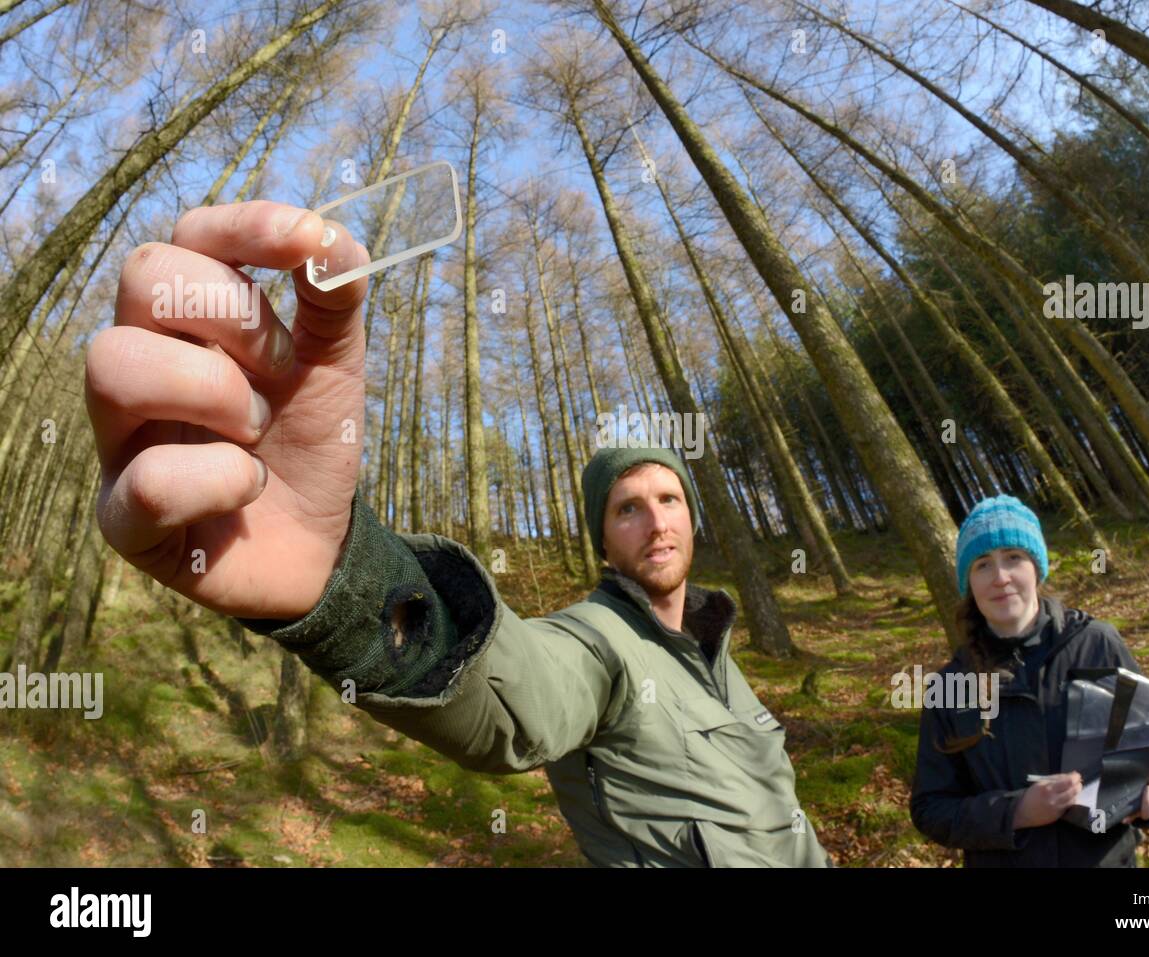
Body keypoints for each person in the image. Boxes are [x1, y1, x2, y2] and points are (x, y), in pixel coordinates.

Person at [83, 200, 831, 868]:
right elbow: (519, 703)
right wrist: (341, 579)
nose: (657, 519)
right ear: (603, 541)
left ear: (692, 517)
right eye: (627, 507)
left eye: (669, 498)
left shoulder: (717, 649)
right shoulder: (597, 644)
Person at [909, 495, 1149, 867]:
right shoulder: (950, 686)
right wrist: (1017, 812)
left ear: (1036, 568)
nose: (1000, 577)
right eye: (982, 564)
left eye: (1013, 557)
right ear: (968, 582)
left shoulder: (1097, 645)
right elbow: (930, 809)